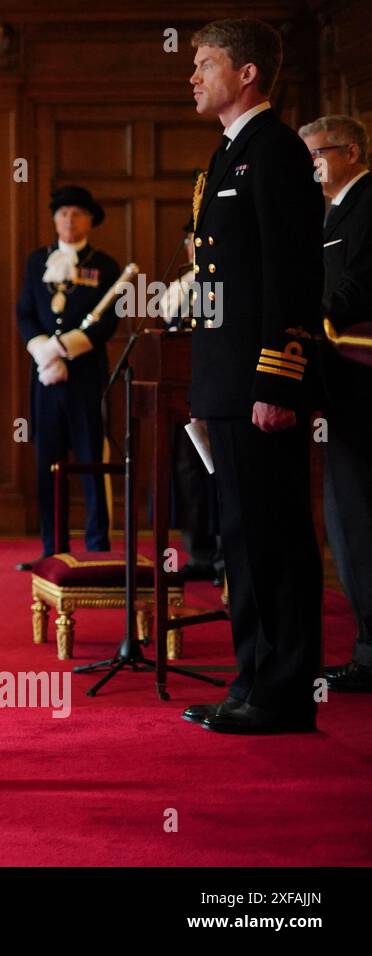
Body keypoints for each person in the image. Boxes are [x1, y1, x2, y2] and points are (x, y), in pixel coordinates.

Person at [180, 19, 325, 734]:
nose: (193, 75)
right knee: (239, 536)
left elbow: (292, 278)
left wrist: (277, 380)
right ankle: (251, 681)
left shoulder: (276, 153)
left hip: (259, 383)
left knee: (274, 536)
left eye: (205, 63)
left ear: (248, 75)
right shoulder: (226, 155)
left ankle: (284, 690)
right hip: (226, 381)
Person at [299, 114, 372, 693]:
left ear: (350, 151)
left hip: (361, 379)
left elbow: (358, 285)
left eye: (318, 154)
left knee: (357, 515)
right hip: (341, 379)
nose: (312, 165)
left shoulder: (367, 201)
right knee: (348, 517)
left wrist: (309, 318)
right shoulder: (333, 208)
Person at [14, 185, 120, 570]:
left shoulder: (106, 265)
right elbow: (25, 313)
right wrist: (42, 349)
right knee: (49, 463)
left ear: (90, 219)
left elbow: (108, 322)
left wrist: (66, 348)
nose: (68, 220)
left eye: (76, 213)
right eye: (62, 213)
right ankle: (52, 547)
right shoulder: (36, 261)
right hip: (45, 378)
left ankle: (97, 546)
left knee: (92, 458)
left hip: (85, 379)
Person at [158, 219, 222, 584]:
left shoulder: (225, 284)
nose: (194, 248)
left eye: (201, 241)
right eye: (190, 242)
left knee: (219, 474)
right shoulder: (178, 288)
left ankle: (224, 557)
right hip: (183, 396)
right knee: (189, 473)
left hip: (220, 396)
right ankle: (197, 552)